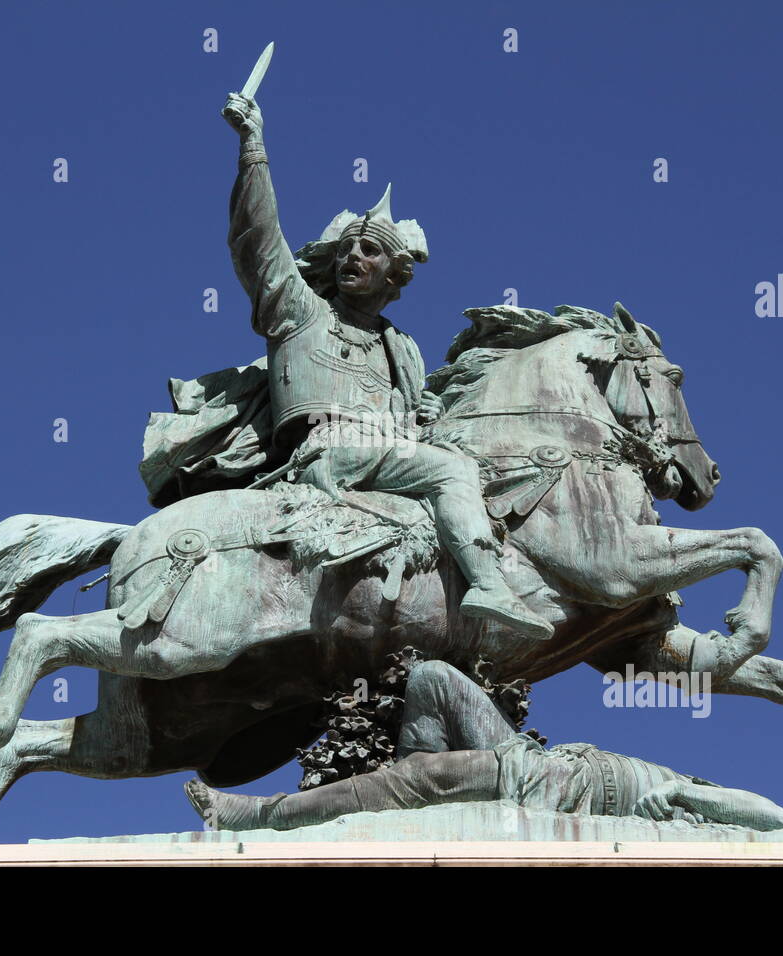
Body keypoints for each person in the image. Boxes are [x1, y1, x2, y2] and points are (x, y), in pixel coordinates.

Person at [221, 91, 552, 641]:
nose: (354, 257)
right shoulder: (301, 312)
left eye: (370, 251)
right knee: (451, 471)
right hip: (328, 452)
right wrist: (253, 146)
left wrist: (421, 413)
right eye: (348, 249)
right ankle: (489, 585)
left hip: (385, 457)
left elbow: (413, 424)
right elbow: (258, 241)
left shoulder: (404, 348)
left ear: (394, 276)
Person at [185, 660, 783, 831]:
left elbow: (776, 815)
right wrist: (685, 785)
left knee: (419, 782)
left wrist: (690, 796)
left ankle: (257, 816)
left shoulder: (697, 808)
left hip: (552, 786)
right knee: (432, 678)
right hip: (538, 755)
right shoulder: (683, 784)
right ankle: (405, 788)